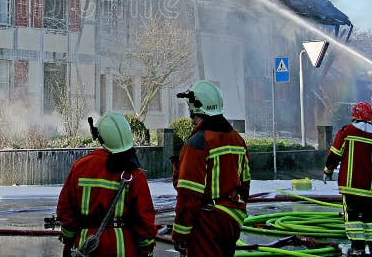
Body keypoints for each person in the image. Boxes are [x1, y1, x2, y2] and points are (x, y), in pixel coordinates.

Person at [56, 111, 156, 257]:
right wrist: (146, 250)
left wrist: (69, 240)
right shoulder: (134, 175)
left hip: (86, 246)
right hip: (123, 249)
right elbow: (144, 220)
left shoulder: (80, 167)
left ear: (101, 138)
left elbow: (65, 210)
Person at [171, 80, 251, 257]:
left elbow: (188, 194)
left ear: (195, 107)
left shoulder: (198, 143)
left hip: (207, 222)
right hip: (231, 220)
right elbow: (245, 183)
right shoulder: (237, 139)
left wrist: (180, 234)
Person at [323, 101, 372, 256]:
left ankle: (357, 248)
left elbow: (335, 154)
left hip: (350, 185)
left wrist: (327, 170)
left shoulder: (346, 131)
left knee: (352, 216)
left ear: (355, 114)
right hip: (369, 188)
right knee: (370, 218)